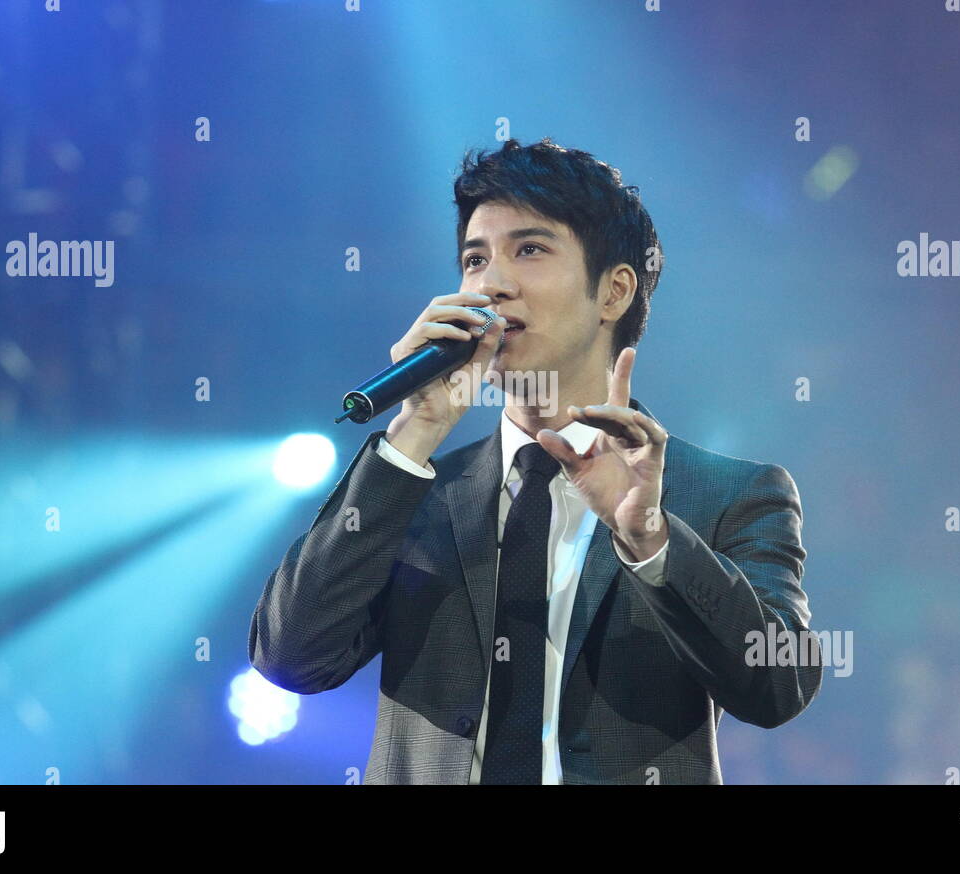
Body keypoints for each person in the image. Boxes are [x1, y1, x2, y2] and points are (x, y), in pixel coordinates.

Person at [249, 138, 821, 784]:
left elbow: (779, 687)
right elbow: (290, 658)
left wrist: (650, 539)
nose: (492, 283)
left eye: (529, 249)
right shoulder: (417, 493)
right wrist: (414, 435)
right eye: (474, 258)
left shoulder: (725, 493)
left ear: (614, 292)